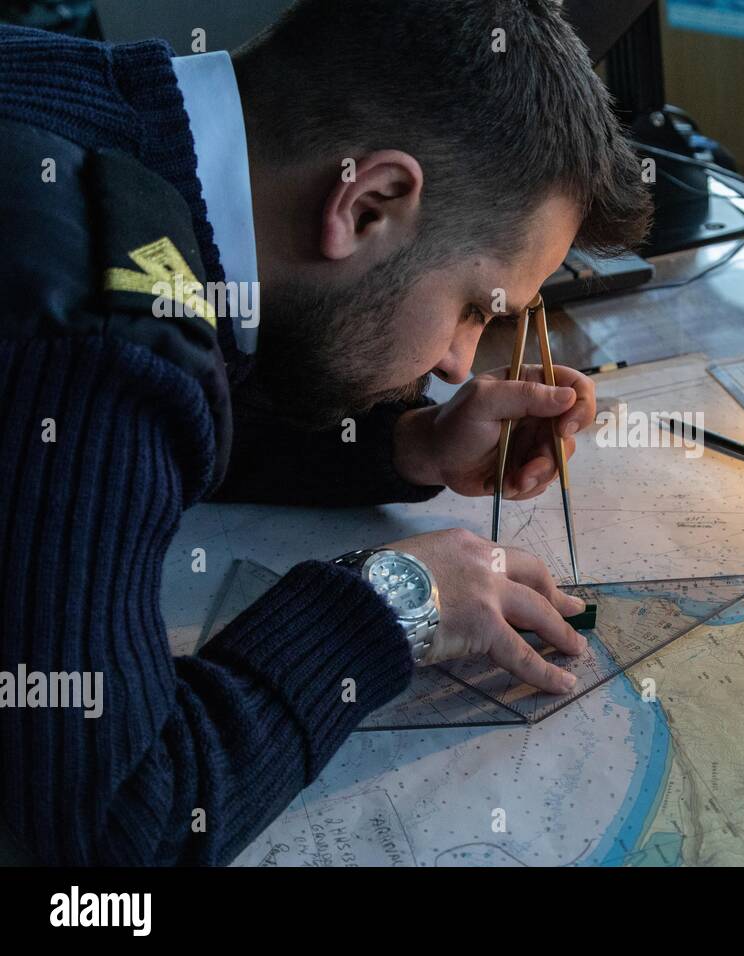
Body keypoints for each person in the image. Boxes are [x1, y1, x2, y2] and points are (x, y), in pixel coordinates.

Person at [0, 0, 650, 865]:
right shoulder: (96, 344)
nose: (461, 364)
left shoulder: (74, 100)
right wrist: (389, 604)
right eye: (472, 309)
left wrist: (405, 446)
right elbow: (120, 830)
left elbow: (155, 433)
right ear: (370, 201)